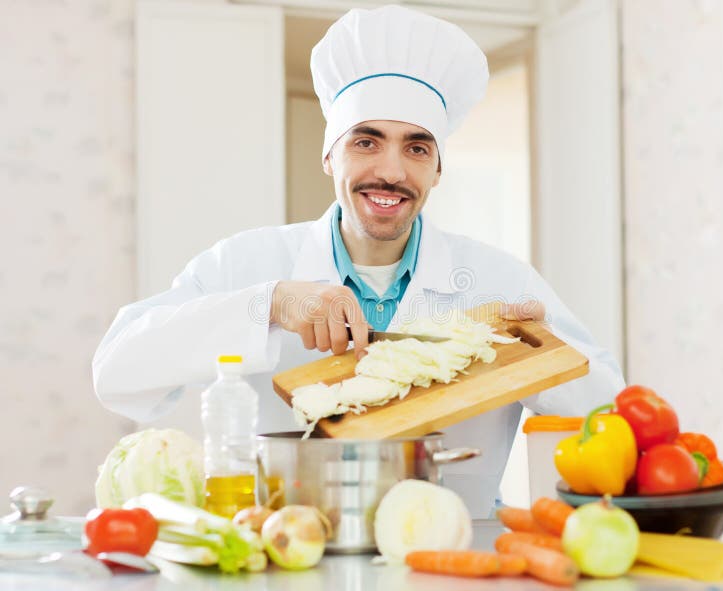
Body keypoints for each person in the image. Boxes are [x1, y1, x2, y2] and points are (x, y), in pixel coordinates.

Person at [93, 5, 624, 516]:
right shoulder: (247, 262)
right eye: (366, 141)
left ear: (437, 170)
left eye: (417, 148)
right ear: (330, 156)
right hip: (288, 551)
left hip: (448, 551)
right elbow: (116, 372)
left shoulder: (499, 282)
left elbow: (612, 414)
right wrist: (268, 304)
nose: (391, 171)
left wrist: (539, 353)